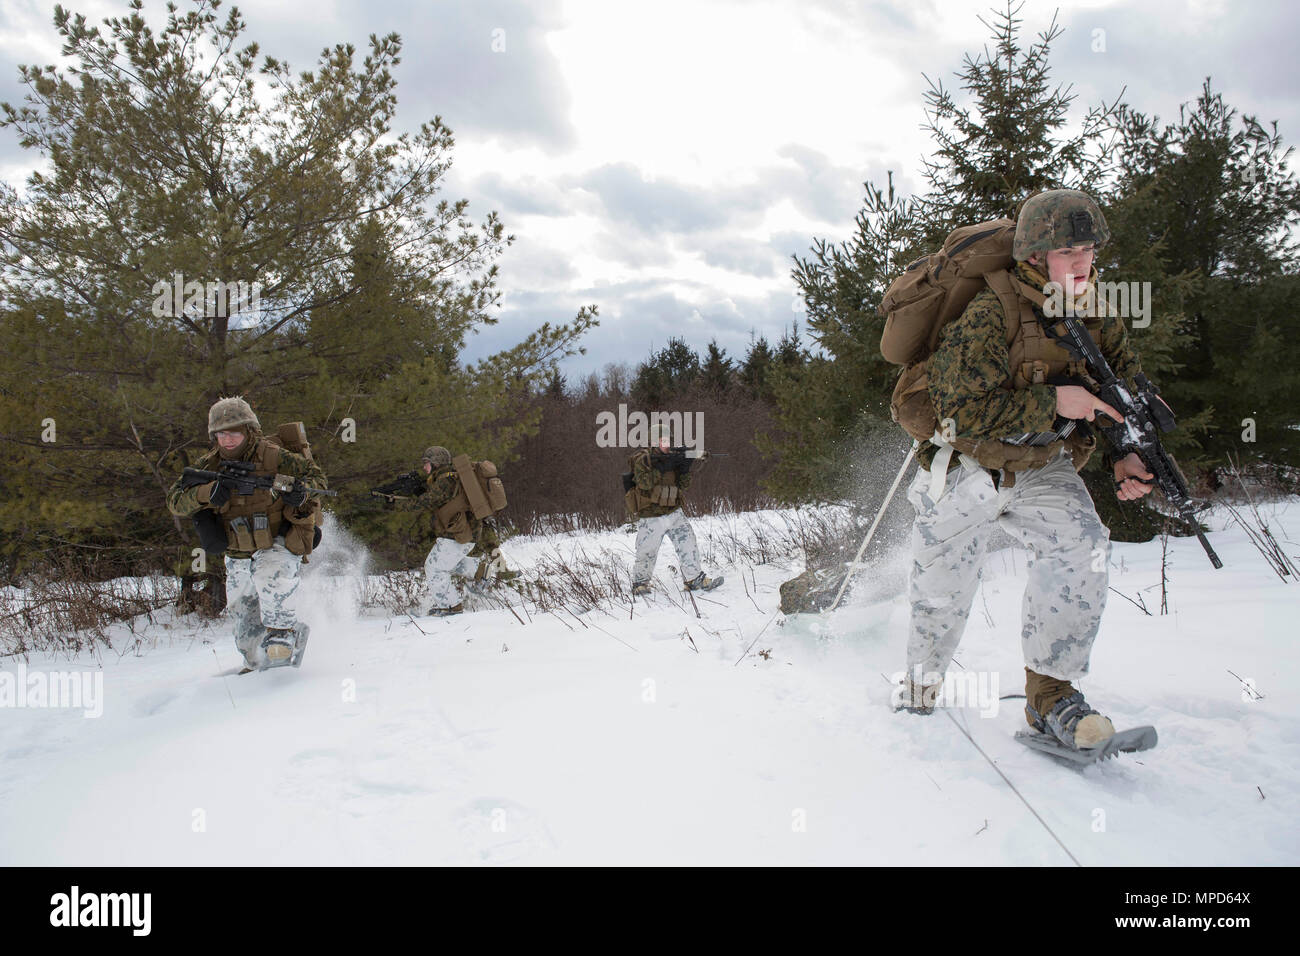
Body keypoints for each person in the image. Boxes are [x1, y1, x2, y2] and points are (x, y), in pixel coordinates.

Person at [898, 189, 1158, 751]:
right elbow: (958, 413)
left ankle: (1050, 698)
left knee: (1082, 545)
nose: (1083, 262)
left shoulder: (1099, 312)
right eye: (1069, 252)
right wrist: (1055, 403)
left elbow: (1123, 393)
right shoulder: (991, 311)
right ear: (1036, 256)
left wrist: (1128, 453)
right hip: (967, 466)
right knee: (942, 590)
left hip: (1042, 465)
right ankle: (918, 689)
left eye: (1088, 250)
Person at [167, 397, 327, 672]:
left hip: (277, 542)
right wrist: (207, 493)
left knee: (271, 577)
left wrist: (301, 492)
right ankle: (257, 666)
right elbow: (174, 501)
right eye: (221, 434)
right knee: (245, 631)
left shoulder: (274, 456)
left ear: (249, 431)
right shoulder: (209, 465)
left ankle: (283, 637)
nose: (227, 440)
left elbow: (317, 479)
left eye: (234, 433)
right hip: (237, 551)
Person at [626, 423, 723, 596]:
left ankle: (693, 579)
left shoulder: (674, 457)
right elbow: (644, 483)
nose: (667, 444)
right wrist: (662, 467)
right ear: (654, 442)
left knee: (688, 543)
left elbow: (683, 485)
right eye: (662, 440)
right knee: (647, 550)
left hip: (674, 512)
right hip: (652, 515)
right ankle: (640, 583)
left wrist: (684, 469)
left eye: (668, 440)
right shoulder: (643, 459)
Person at [416, 446, 503, 616]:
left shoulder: (445, 480)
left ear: (436, 462)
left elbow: (424, 503)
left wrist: (394, 501)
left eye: (426, 463)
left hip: (457, 533)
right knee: (447, 563)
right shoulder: (449, 477)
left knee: (434, 568)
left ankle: (451, 606)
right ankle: (480, 570)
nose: (424, 467)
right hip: (463, 532)